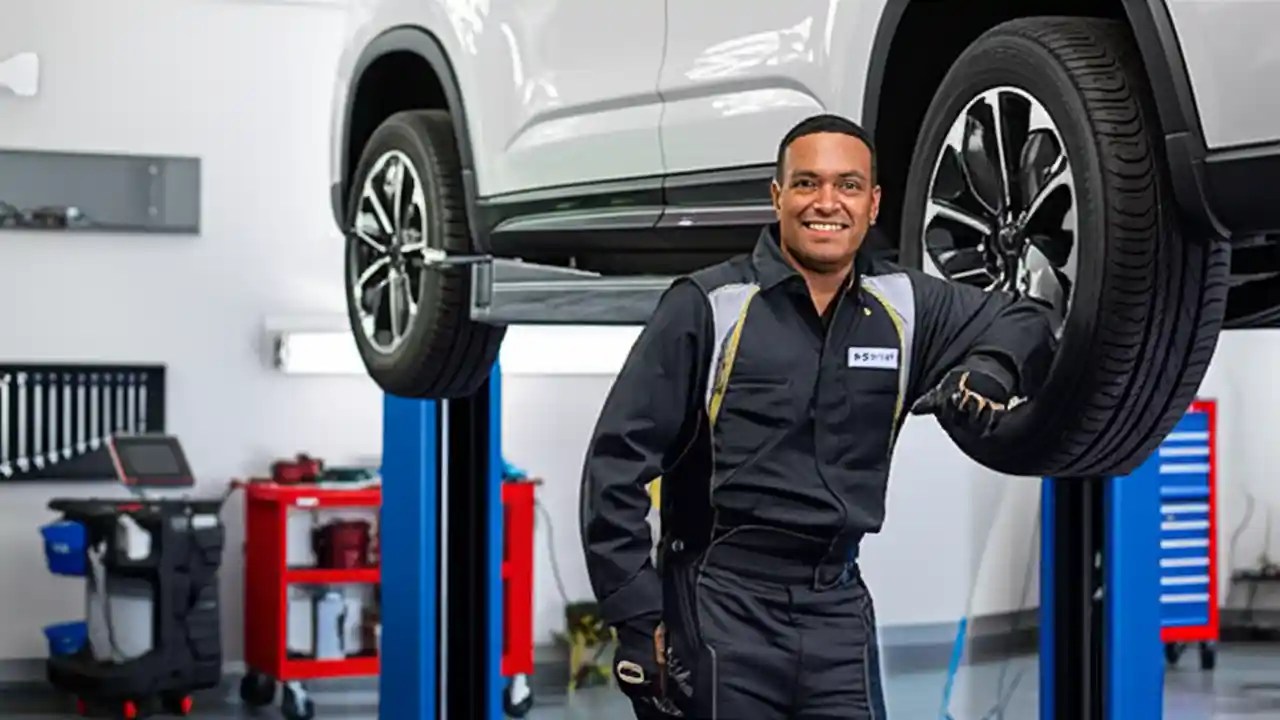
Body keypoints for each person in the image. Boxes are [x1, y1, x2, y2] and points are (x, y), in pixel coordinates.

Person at [577, 113, 1059, 720]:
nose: (826, 202)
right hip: (720, 600)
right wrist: (636, 615)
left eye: (848, 185)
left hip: (837, 604)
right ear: (777, 197)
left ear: (874, 203)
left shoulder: (904, 305)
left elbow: (1028, 319)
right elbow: (615, 466)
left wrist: (986, 373)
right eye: (806, 184)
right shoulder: (708, 307)